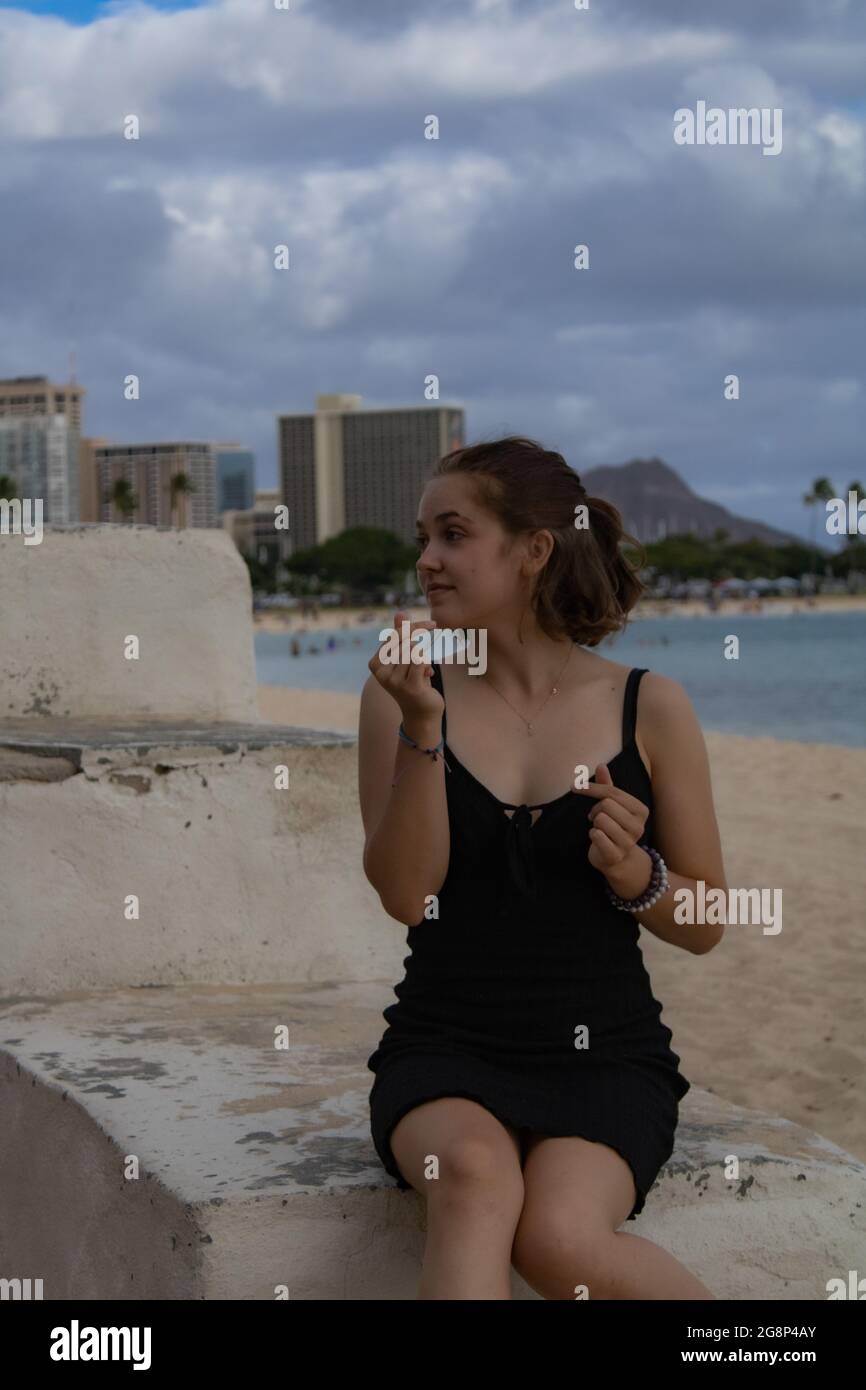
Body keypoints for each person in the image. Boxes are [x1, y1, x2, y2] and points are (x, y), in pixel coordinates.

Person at [358, 437, 726, 1300]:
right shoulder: (405, 693)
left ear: (534, 550)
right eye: (424, 537)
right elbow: (408, 896)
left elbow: (710, 921)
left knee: (561, 1238)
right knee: (477, 1180)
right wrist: (422, 730)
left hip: (606, 1054)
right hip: (445, 1045)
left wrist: (638, 875)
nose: (426, 561)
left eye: (454, 535)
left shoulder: (650, 705)